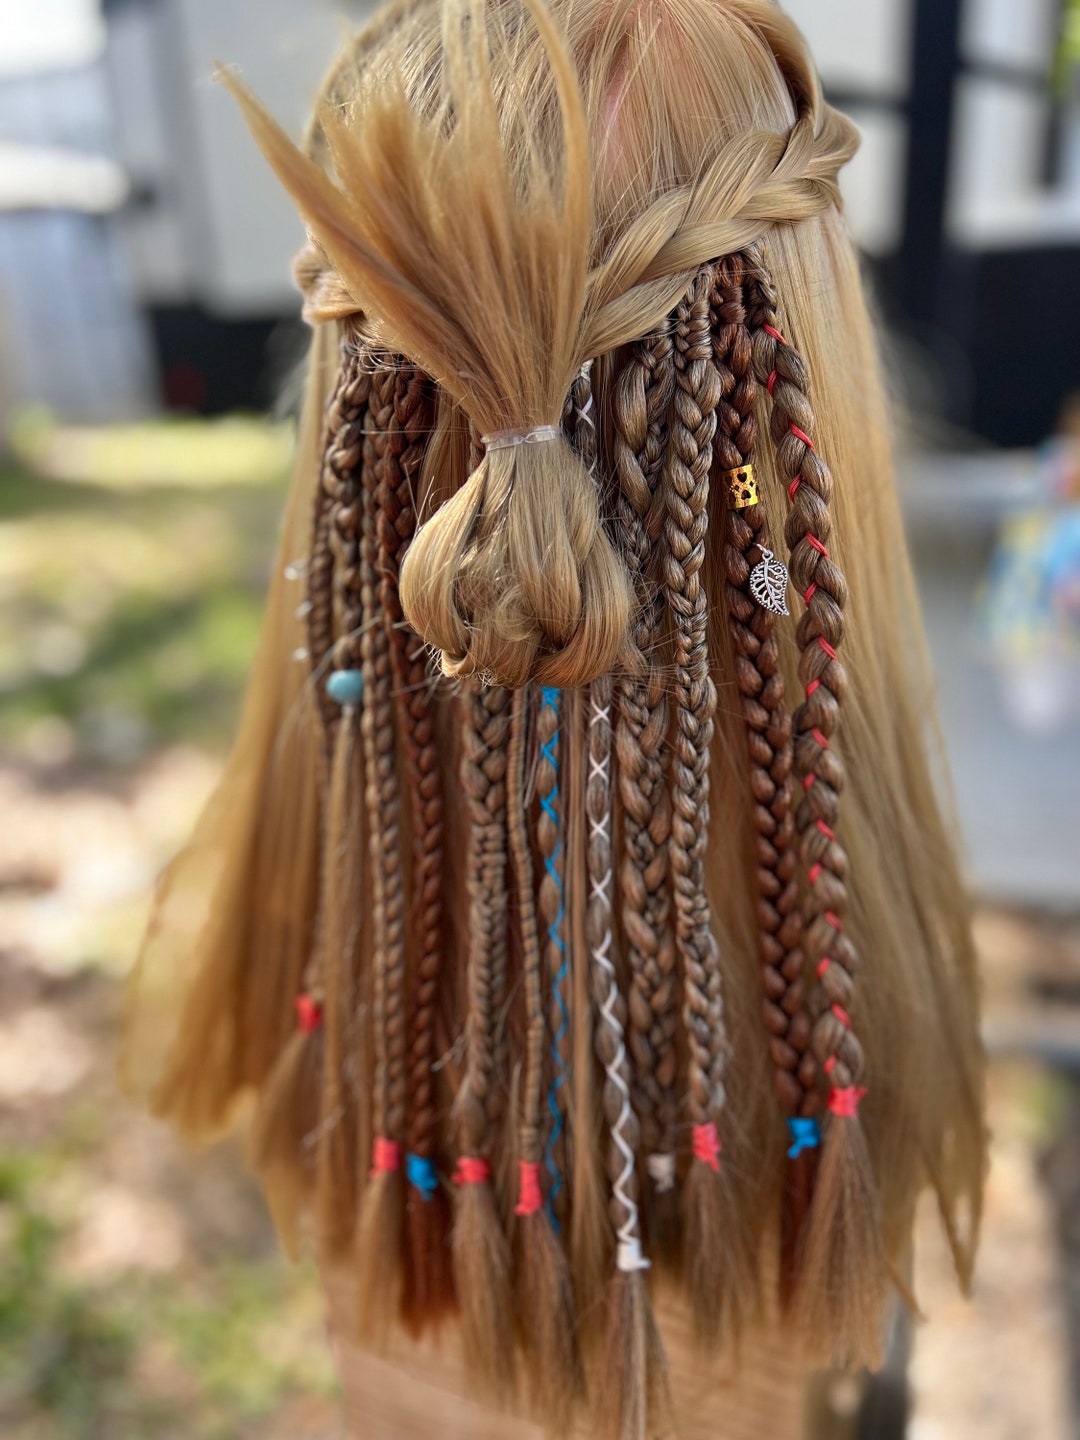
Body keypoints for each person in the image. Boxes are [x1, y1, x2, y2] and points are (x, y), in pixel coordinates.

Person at [124, 2, 987, 1435]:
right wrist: (770, 553)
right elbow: (767, 563)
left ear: (353, 424)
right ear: (806, 368)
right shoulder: (821, 999)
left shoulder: (365, 1004)